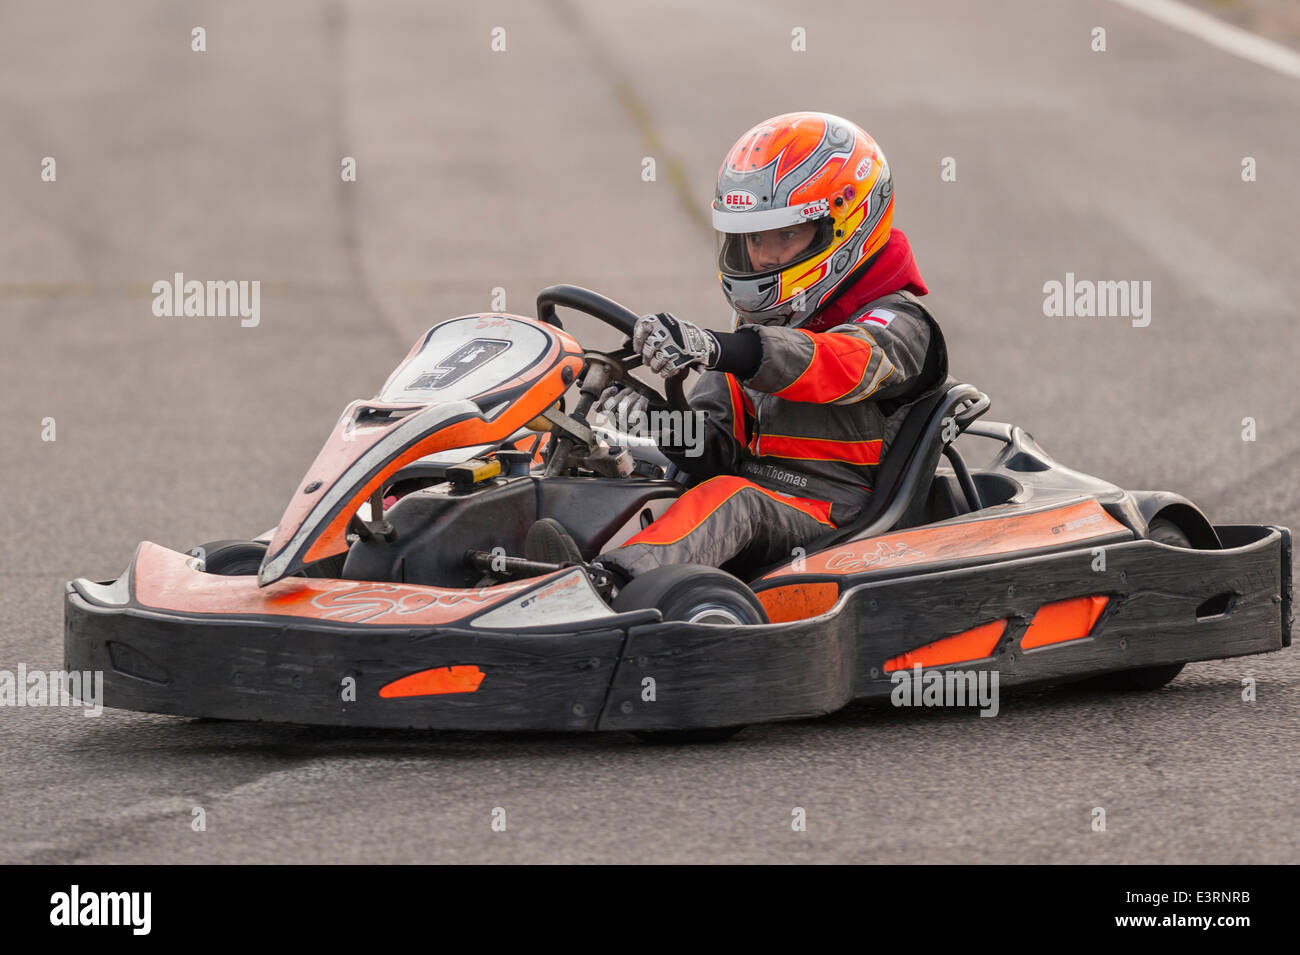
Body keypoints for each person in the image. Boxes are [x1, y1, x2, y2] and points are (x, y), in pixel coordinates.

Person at [527, 110, 948, 586]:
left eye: (785, 236)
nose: (764, 256)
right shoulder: (756, 330)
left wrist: (721, 349)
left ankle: (602, 585)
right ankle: (510, 552)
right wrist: (653, 418)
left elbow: (832, 364)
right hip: (751, 494)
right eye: (753, 238)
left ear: (846, 227)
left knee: (731, 499)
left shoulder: (899, 324)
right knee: (576, 447)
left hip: (836, 521)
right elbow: (715, 453)